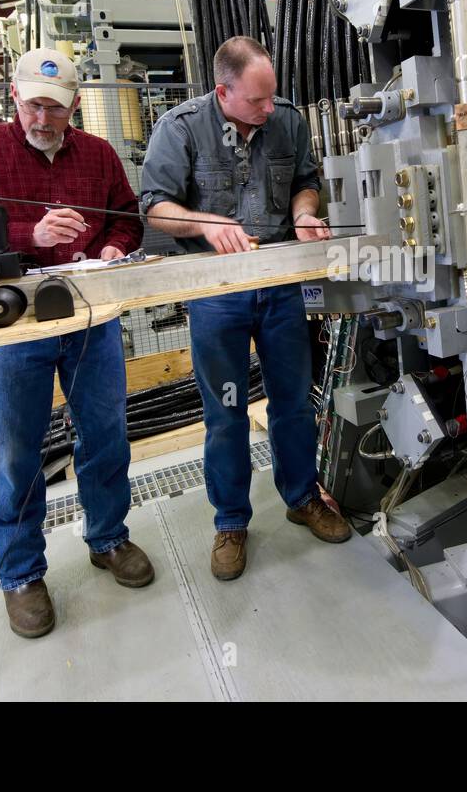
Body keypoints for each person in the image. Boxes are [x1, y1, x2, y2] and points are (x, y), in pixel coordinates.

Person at [0, 48, 153, 638]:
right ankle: (19, 574)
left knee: (106, 434)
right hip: (11, 330)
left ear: (75, 106)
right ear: (14, 96)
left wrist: (113, 247)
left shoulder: (99, 154)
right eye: (34, 105)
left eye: (56, 109)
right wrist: (26, 233)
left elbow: (126, 217)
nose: (44, 118)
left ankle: (108, 538)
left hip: (90, 317)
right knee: (15, 451)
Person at [139, 35, 350, 581]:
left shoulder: (286, 119)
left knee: (293, 402)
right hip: (217, 296)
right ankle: (231, 521)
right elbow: (155, 208)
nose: (267, 109)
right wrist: (204, 223)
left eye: (271, 97)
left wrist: (305, 214)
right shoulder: (180, 128)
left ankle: (303, 498)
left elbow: (306, 182)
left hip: (279, 289)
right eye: (255, 101)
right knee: (227, 413)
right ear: (222, 92)